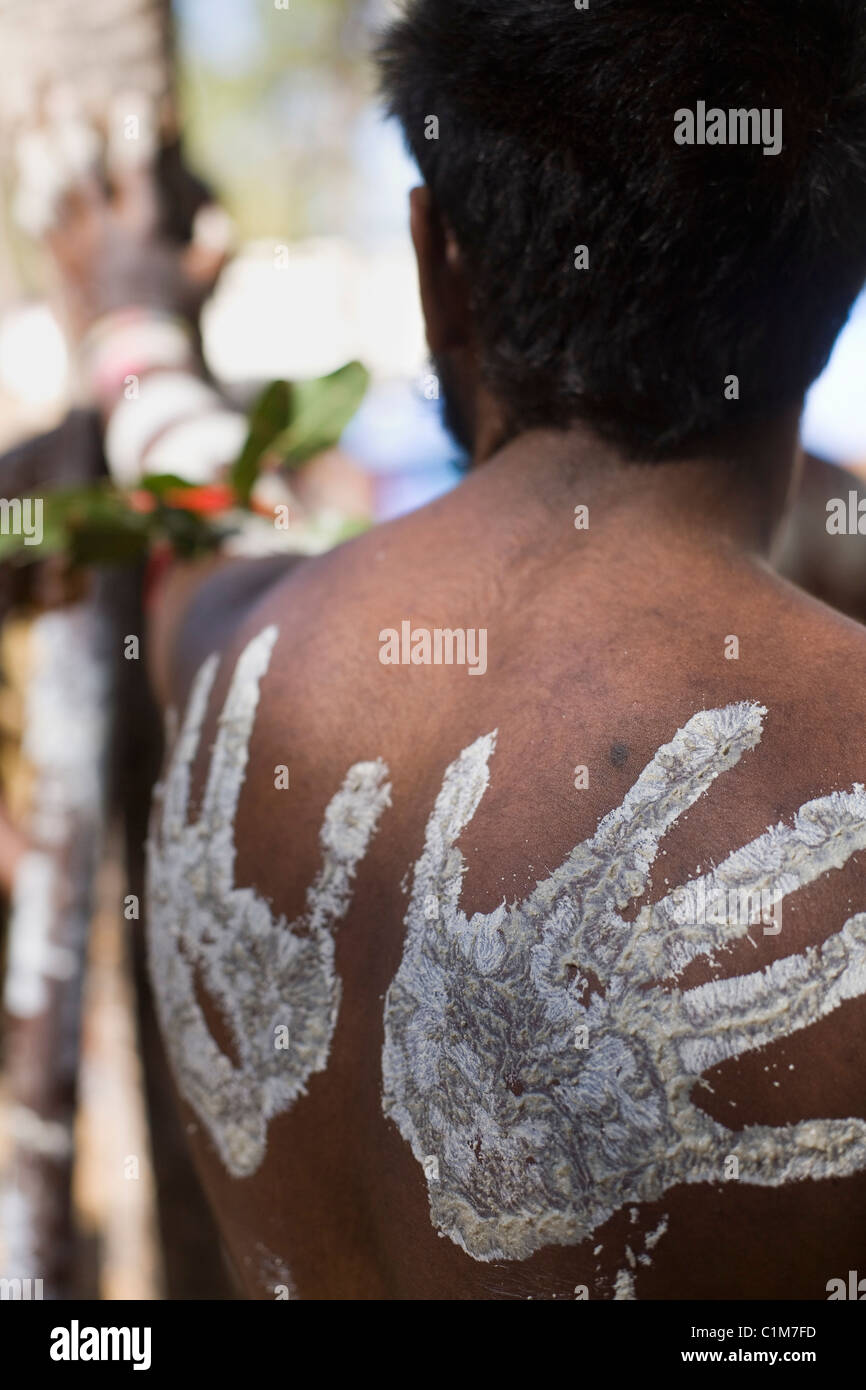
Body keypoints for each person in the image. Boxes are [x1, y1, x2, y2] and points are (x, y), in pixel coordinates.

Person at [48, 0, 866, 1299]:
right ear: (831, 301)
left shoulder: (234, 650)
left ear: (439, 266)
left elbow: (199, 505)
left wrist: (128, 326)